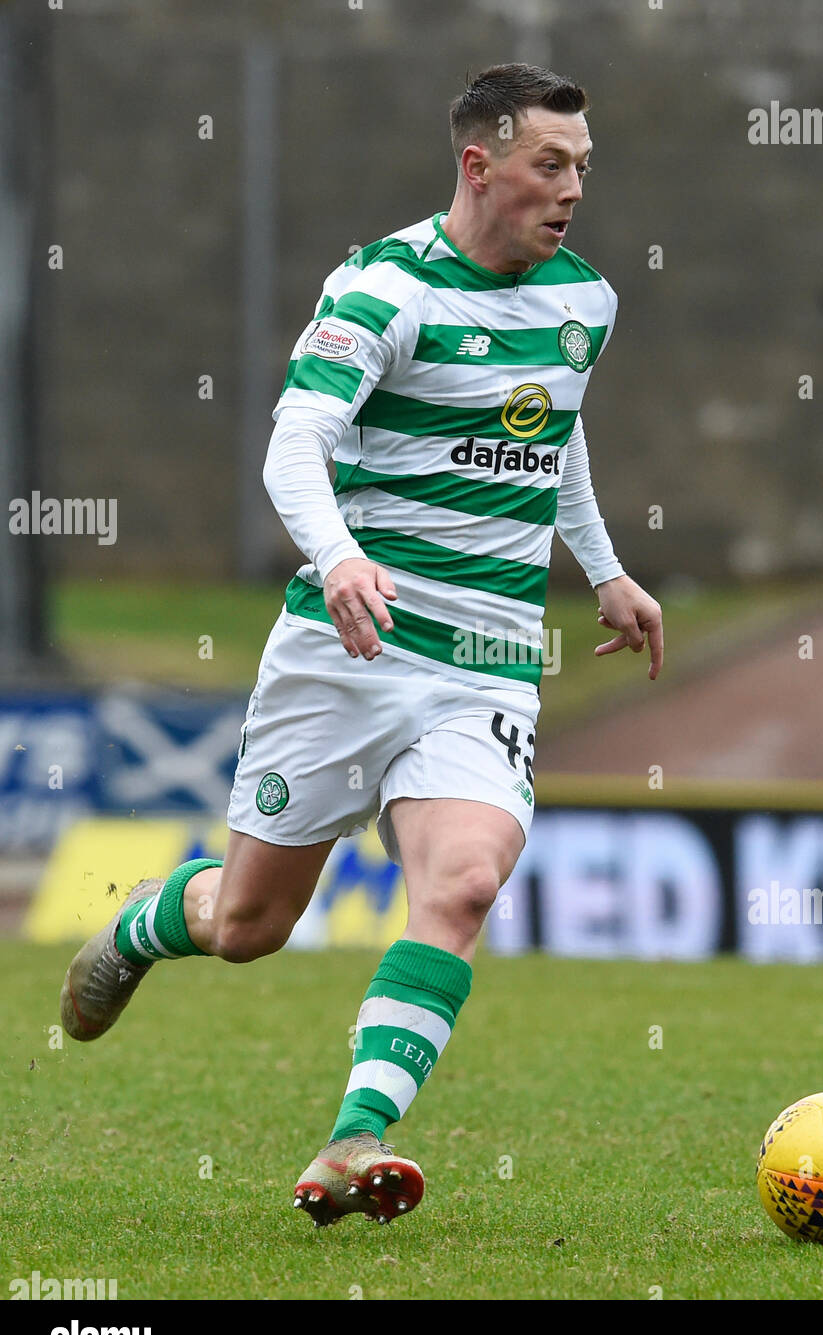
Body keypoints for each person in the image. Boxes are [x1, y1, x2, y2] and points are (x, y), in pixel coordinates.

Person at [59, 62, 663, 1229]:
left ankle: (355, 1136)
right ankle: (141, 924)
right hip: (351, 644)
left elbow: (557, 437)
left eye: (584, 167)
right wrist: (338, 555)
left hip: (485, 657)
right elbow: (296, 441)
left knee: (466, 882)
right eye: (551, 164)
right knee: (249, 927)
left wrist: (607, 569)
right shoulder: (384, 288)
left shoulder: (585, 302)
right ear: (478, 164)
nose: (574, 189)